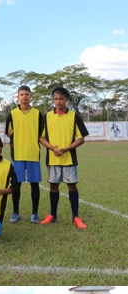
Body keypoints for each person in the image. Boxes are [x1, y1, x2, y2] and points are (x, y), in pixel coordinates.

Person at [39, 84, 88, 228]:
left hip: (69, 159)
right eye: (56, 99)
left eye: (61, 98)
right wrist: (52, 148)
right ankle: (52, 215)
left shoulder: (74, 117)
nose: (58, 101)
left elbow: (81, 138)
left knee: (72, 186)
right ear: (53, 100)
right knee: (53, 186)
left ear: (66, 100)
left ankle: (76, 217)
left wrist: (66, 148)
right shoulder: (46, 117)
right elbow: (41, 137)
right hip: (53, 159)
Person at [5, 85, 43, 223]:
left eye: (27, 94)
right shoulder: (12, 114)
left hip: (33, 154)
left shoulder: (38, 114)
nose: (24, 96)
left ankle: (35, 213)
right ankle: (15, 213)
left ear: (30, 96)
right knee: (16, 185)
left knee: (34, 184)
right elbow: (9, 133)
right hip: (18, 155)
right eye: (22, 94)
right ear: (18, 96)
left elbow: (41, 134)